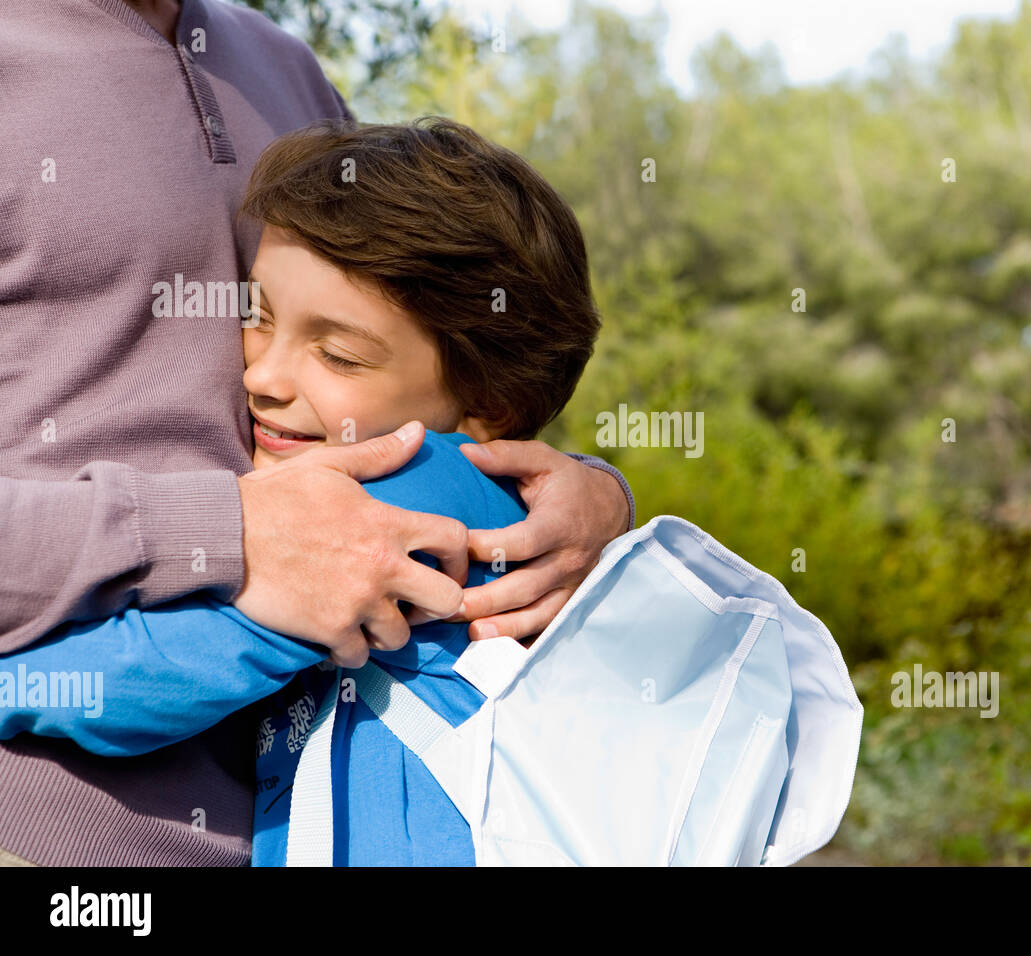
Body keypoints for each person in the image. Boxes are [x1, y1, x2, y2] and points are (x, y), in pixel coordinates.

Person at [0, 0, 632, 866]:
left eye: (329, 353)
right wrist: (225, 533)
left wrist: (595, 496)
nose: (258, 374)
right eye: (255, 319)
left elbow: (416, 322)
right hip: (50, 839)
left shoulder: (285, 70)